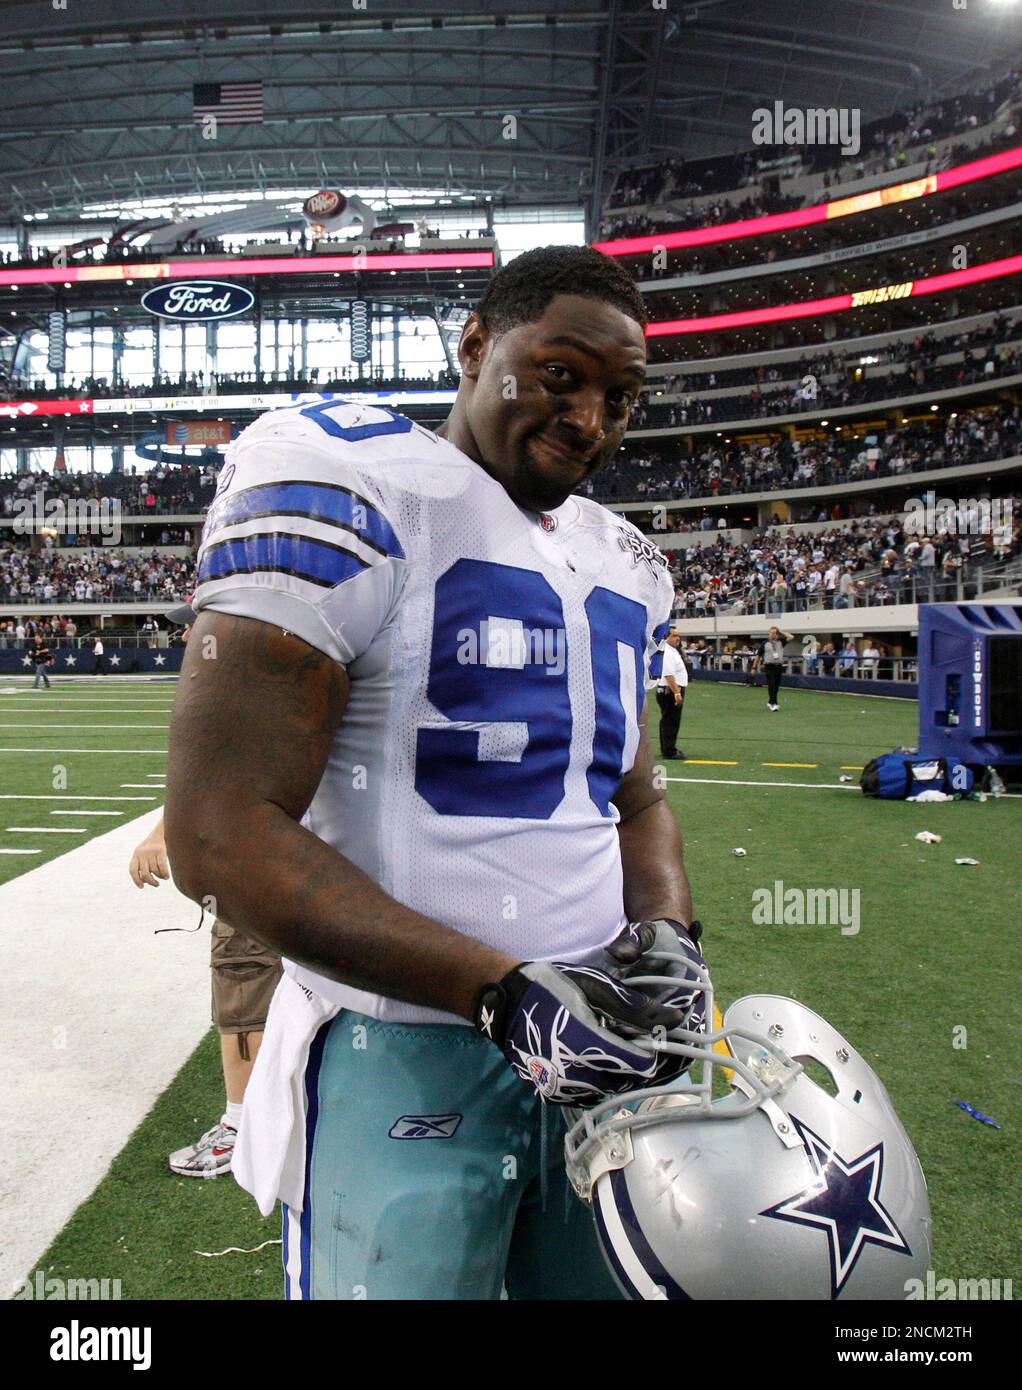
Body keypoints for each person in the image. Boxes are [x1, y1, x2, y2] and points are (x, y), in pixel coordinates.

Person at [164, 245, 707, 1301]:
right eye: (560, 374)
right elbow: (219, 833)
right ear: (475, 346)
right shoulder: (348, 475)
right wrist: (498, 994)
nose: (589, 417)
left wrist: (666, 937)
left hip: (596, 1057)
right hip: (401, 1050)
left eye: (619, 397)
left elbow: (632, 797)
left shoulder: (625, 559)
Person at [653, 628, 687, 760]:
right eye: (674, 636)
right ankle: (669, 750)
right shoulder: (667, 652)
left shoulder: (672, 651)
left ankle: (668, 748)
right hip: (670, 691)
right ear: (667, 637)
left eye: (678, 636)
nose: (677, 638)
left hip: (669, 690)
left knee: (669, 720)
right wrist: (677, 692)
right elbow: (668, 674)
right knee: (670, 721)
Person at [751, 625, 794, 711]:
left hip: (778, 666)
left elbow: (791, 637)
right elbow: (758, 656)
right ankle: (774, 704)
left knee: (777, 685)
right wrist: (754, 667)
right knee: (771, 684)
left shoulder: (781, 641)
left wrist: (781, 631)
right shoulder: (765, 643)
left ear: (777, 634)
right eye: (770, 632)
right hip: (769, 666)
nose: (771, 634)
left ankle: (771, 701)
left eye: (773, 633)